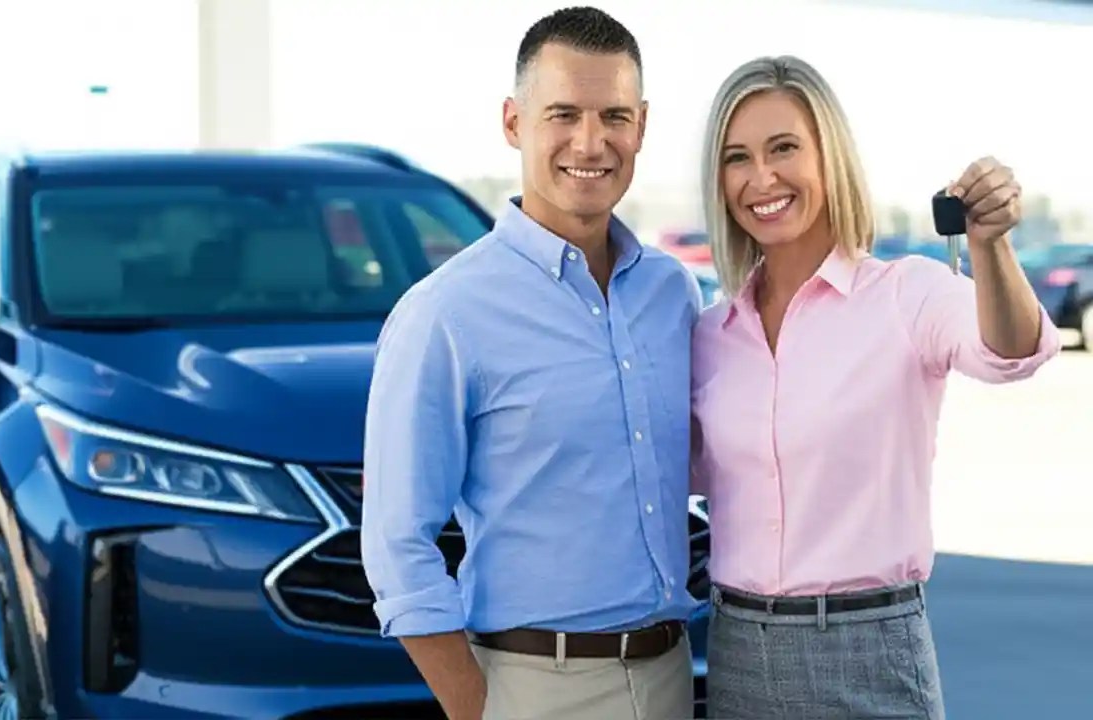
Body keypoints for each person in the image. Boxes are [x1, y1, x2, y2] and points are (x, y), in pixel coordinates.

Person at [689, 54, 1061, 720]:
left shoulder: (908, 294)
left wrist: (990, 246)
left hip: (870, 652)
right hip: (738, 651)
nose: (761, 177)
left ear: (831, 157)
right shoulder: (711, 333)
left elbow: (1012, 351)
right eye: (737, 157)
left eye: (784, 149)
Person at [361, 6, 702, 720]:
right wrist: (475, 708)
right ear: (514, 122)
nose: (591, 140)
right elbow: (397, 544)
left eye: (613, 114)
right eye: (562, 114)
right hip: (530, 688)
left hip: (671, 674)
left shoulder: (672, 294)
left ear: (641, 125)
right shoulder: (447, 313)